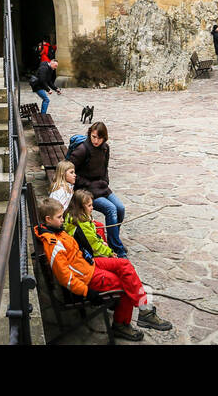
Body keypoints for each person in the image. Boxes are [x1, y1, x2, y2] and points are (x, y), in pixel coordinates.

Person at [34, 197, 172, 341]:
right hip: (87, 276)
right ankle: (122, 324)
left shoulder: (55, 231)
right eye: (59, 217)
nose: (63, 219)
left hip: (88, 264)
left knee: (124, 264)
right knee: (126, 285)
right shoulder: (53, 243)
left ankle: (145, 311)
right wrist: (86, 292)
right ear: (48, 219)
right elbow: (65, 277)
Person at [69, 121, 127, 257]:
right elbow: (69, 170)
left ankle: (113, 240)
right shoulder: (82, 149)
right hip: (85, 191)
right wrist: (86, 183)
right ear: (90, 134)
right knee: (110, 209)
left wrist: (105, 180)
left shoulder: (105, 148)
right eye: (93, 137)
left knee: (120, 208)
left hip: (101, 186)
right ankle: (117, 248)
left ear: (104, 138)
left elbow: (105, 168)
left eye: (99, 138)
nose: (96, 140)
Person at [64, 189, 113, 260]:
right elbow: (93, 246)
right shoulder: (82, 222)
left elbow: (93, 235)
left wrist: (102, 242)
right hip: (85, 255)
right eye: (89, 205)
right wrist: (110, 253)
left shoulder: (74, 214)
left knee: (99, 227)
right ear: (80, 208)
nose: (92, 208)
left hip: (85, 249)